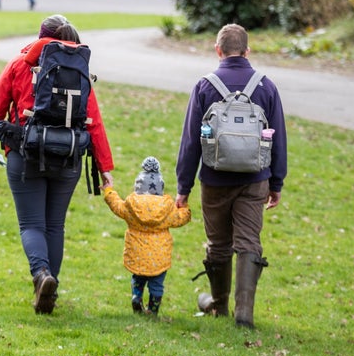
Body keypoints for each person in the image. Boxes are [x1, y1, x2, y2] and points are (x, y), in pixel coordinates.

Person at [0, 14, 115, 315]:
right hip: (68, 156)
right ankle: (50, 290)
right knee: (55, 226)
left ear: (41, 37)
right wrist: (104, 166)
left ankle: (41, 276)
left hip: (25, 153)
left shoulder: (20, 64)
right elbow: (94, 121)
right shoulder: (79, 69)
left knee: (31, 224)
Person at [174, 24, 287, 329]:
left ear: (218, 50)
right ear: (247, 51)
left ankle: (219, 304)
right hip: (255, 178)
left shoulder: (204, 86)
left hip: (214, 179)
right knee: (249, 241)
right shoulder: (266, 87)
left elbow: (191, 141)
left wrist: (183, 186)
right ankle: (244, 314)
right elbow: (278, 137)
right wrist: (276, 182)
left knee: (218, 242)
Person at [104, 156, 192, 316]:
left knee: (138, 279)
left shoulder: (130, 207)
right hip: (159, 258)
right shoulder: (167, 211)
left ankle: (136, 297)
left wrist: (109, 191)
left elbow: (116, 205)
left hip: (137, 254)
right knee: (156, 285)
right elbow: (181, 218)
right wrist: (184, 207)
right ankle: (153, 310)